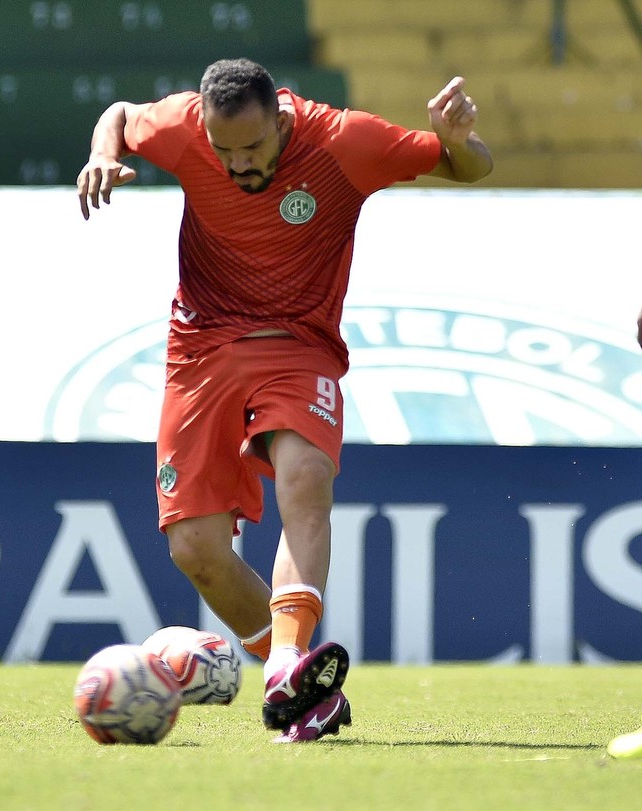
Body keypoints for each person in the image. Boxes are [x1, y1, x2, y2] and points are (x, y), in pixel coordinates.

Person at [76, 58, 493, 743]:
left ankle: (292, 654)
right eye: (224, 150)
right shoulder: (184, 126)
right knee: (195, 548)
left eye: (254, 147)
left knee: (305, 476)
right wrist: (101, 155)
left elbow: (471, 167)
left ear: (282, 118)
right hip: (201, 347)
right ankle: (292, 680)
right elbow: (119, 115)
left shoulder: (343, 143)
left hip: (298, 345)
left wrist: (454, 138)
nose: (238, 165)